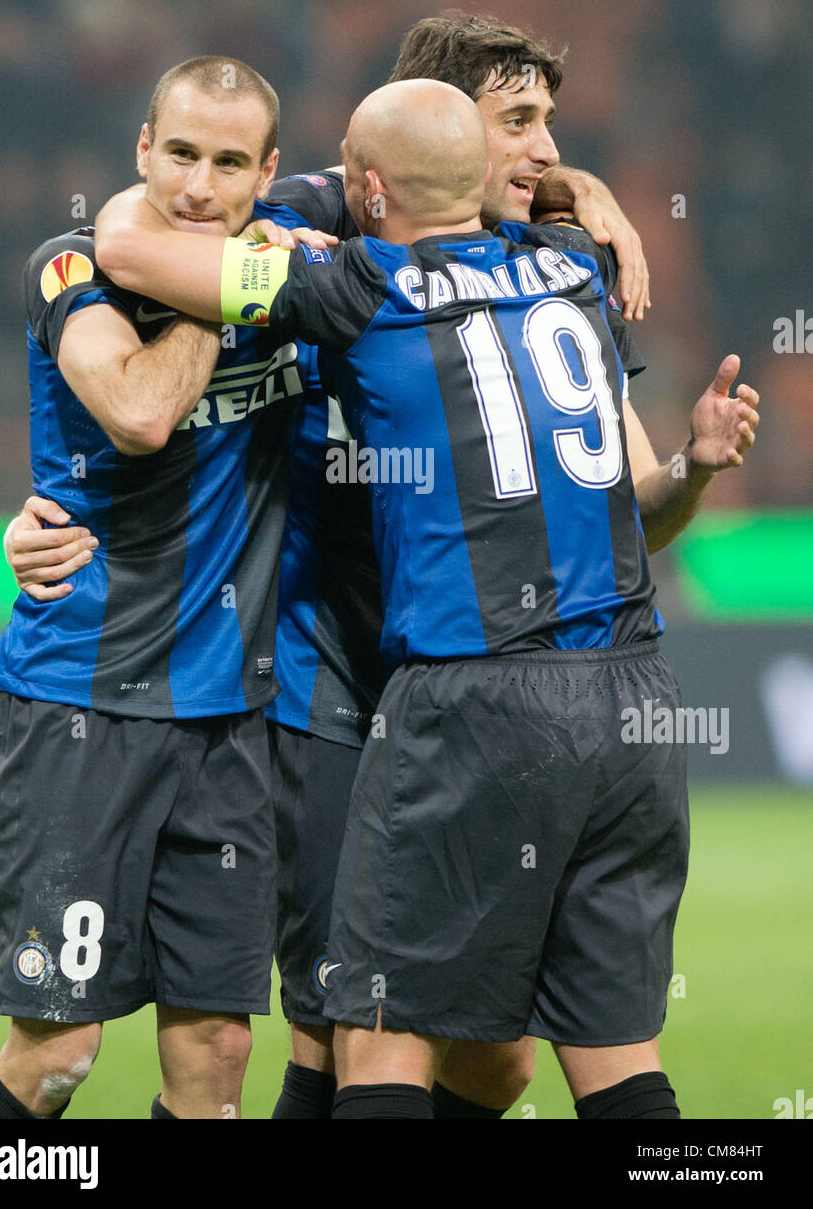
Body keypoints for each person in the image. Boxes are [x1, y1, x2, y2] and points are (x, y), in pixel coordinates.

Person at [84, 77, 759, 1119]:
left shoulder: (361, 286)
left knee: (379, 1035)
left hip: (473, 699)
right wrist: (580, 192)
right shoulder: (573, 264)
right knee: (615, 1056)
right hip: (633, 696)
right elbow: (533, 210)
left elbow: (128, 253)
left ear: (364, 187)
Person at [0, 55, 331, 1122]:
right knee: (61, 1046)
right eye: (178, 154)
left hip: (228, 726)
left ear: (265, 171)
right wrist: (217, 292)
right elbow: (136, 412)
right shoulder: (70, 269)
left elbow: (411, 178)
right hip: (80, 706)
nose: (197, 187)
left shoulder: (294, 259)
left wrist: (586, 199)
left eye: (227, 163)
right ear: (140, 150)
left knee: (217, 1046)